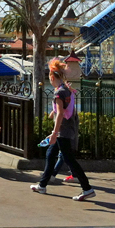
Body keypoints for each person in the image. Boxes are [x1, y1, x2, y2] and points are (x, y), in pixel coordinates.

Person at [30, 62, 95, 199]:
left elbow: (60, 113)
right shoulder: (67, 89)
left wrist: (54, 133)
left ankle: (87, 188)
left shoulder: (59, 92)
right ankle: (42, 185)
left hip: (62, 131)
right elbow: (66, 110)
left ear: (52, 77)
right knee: (50, 154)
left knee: (69, 159)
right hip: (66, 129)